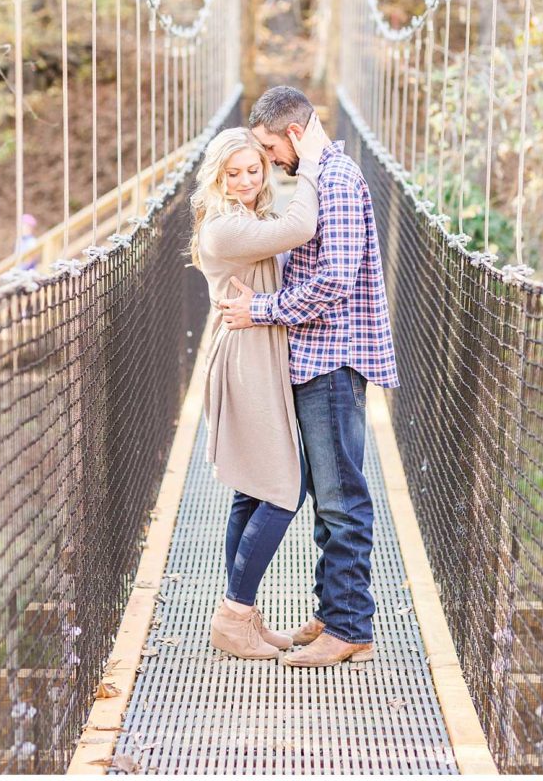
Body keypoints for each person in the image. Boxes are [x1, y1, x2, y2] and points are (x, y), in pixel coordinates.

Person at [218, 86, 399, 668]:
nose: (269, 161)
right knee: (328, 496)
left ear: (294, 134)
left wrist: (261, 311)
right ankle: (334, 611)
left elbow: (335, 283)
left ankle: (349, 629)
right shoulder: (318, 180)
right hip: (311, 359)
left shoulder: (338, 183)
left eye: (270, 148)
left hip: (331, 360)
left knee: (342, 500)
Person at [189, 126, 320, 660]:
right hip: (245, 360)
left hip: (260, 352)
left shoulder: (248, 219)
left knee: (254, 488)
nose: (245, 180)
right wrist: (313, 163)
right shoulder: (223, 229)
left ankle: (241, 616)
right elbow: (304, 223)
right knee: (285, 488)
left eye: (253, 169)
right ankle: (233, 615)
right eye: (233, 172)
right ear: (217, 176)